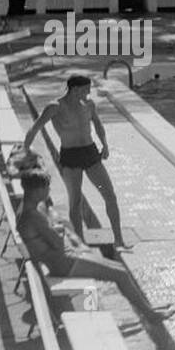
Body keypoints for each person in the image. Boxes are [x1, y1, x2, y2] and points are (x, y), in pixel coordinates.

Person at [15, 170, 173, 320]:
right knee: (121, 274)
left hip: (64, 259)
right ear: (36, 190)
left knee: (120, 268)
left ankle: (148, 308)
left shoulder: (25, 209)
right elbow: (57, 243)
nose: (48, 190)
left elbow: (48, 237)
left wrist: (56, 230)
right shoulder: (33, 216)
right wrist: (60, 230)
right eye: (46, 187)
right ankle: (150, 315)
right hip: (64, 263)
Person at [22, 75, 127, 249]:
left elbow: (98, 125)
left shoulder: (89, 105)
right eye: (86, 89)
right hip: (70, 156)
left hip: (90, 153)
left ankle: (119, 240)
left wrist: (105, 144)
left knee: (110, 195)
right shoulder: (55, 107)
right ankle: (81, 244)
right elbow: (35, 128)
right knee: (75, 201)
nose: (89, 92)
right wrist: (25, 150)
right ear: (75, 89)